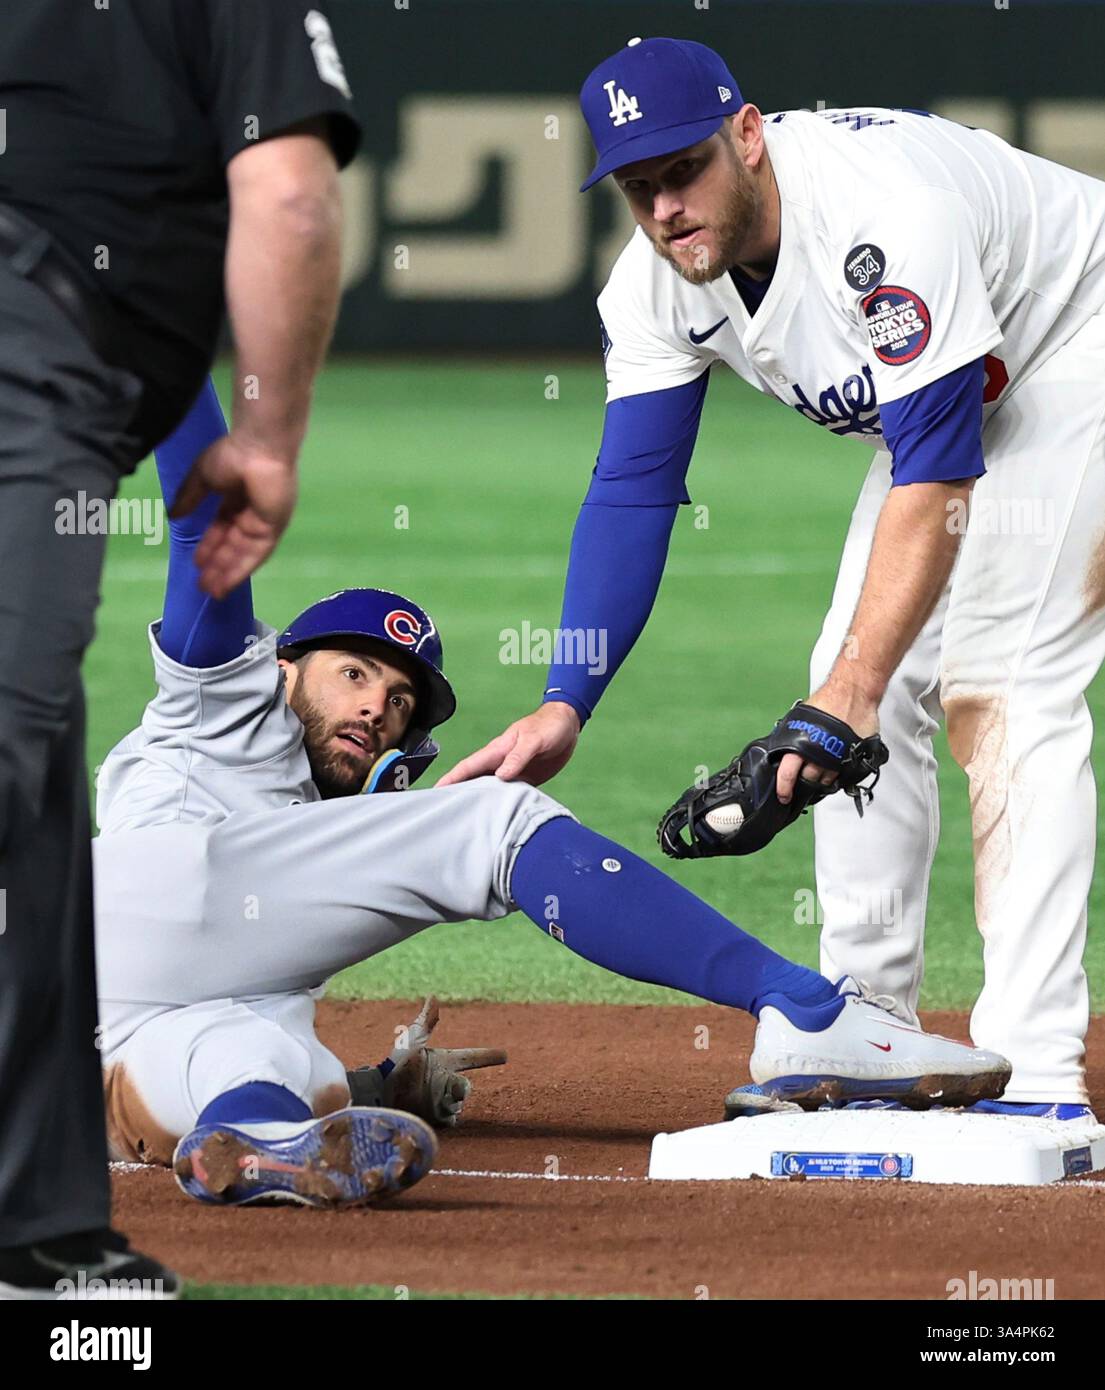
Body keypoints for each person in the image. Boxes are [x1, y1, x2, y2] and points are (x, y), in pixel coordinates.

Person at [90, 382, 1010, 1211]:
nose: (376, 704)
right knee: (495, 821)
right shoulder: (226, 700)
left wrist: (384, 1086)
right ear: (287, 665)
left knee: (283, 1075)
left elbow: (232, 969)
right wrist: (164, 347)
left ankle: (261, 1151)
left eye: (400, 701)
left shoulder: (309, 858)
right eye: (355, 672)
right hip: (148, 888)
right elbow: (207, 522)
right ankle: (803, 1011)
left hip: (116, 1019)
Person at [439, 36, 1105, 1123]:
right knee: (848, 692)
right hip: (960, 389)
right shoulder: (654, 286)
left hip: (1082, 330)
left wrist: (845, 691)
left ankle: (1034, 1071)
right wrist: (569, 698)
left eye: (682, 168)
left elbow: (935, 469)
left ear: (746, 135)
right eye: (636, 186)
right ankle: (864, 1026)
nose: (663, 207)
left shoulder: (881, 215)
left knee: (1004, 681)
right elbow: (633, 488)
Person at [0, 1, 359, 1298]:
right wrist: (266, 436)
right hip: (36, 343)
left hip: (66, 358)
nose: (374, 705)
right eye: (360, 669)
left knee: (34, 780)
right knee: (15, 746)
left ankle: (36, 1231)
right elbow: (292, 198)